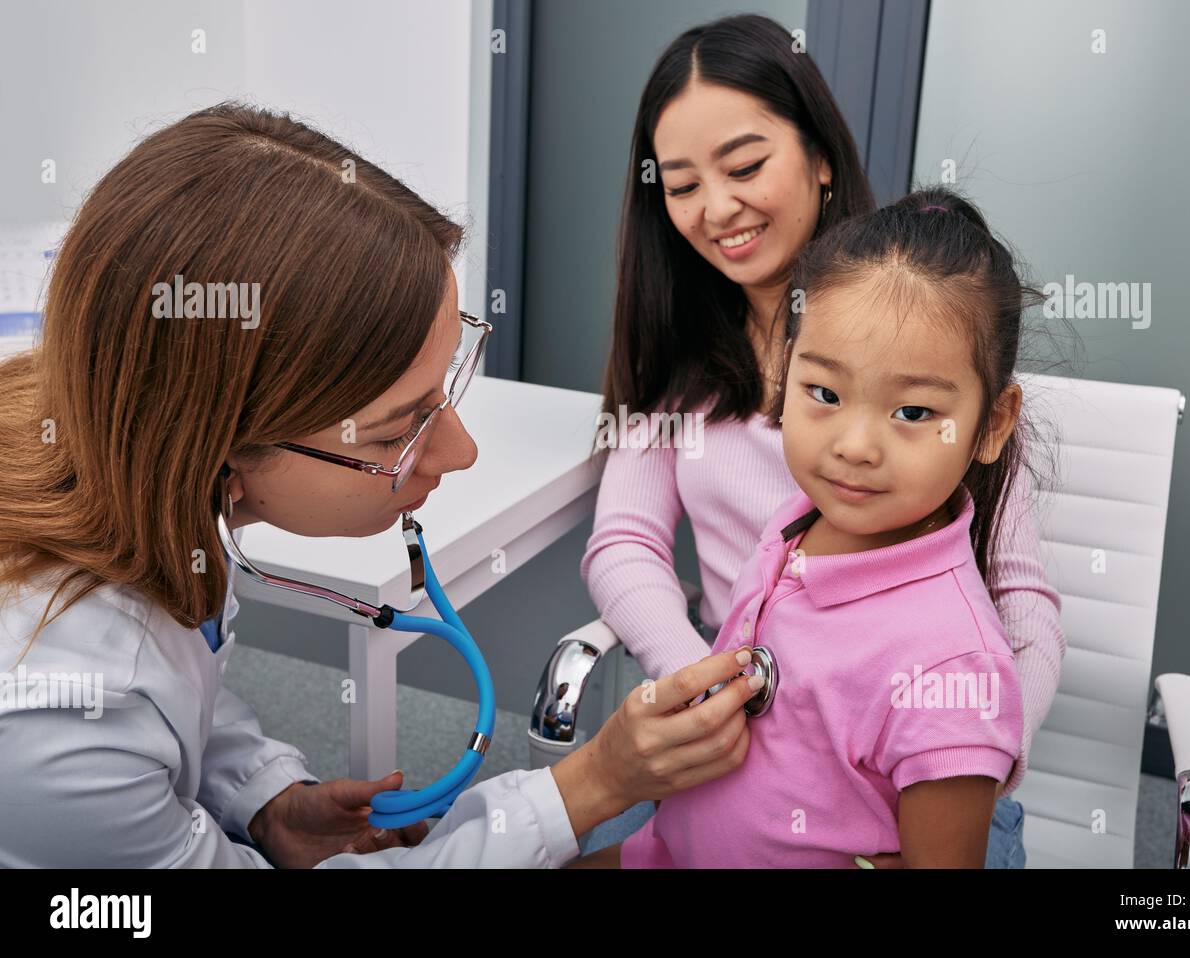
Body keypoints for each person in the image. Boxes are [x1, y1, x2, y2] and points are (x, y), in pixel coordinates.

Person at [0, 101, 758, 868]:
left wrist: (266, 799)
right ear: (220, 443)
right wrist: (591, 785)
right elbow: (137, 706)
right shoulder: (65, 710)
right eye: (399, 431)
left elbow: (180, 693)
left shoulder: (145, 474)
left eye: (445, 395)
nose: (460, 453)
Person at [579, 15, 1064, 866]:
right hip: (733, 750)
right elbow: (623, 541)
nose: (717, 207)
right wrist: (714, 693)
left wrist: (953, 755)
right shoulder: (688, 371)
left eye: (745, 165)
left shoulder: (940, 342)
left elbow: (1021, 601)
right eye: (682, 183)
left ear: (820, 156)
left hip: (899, 782)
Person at [613, 188, 1034, 867]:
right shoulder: (795, 526)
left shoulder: (953, 667)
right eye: (826, 394)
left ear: (991, 424)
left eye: (914, 412)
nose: (855, 445)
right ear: (786, 370)